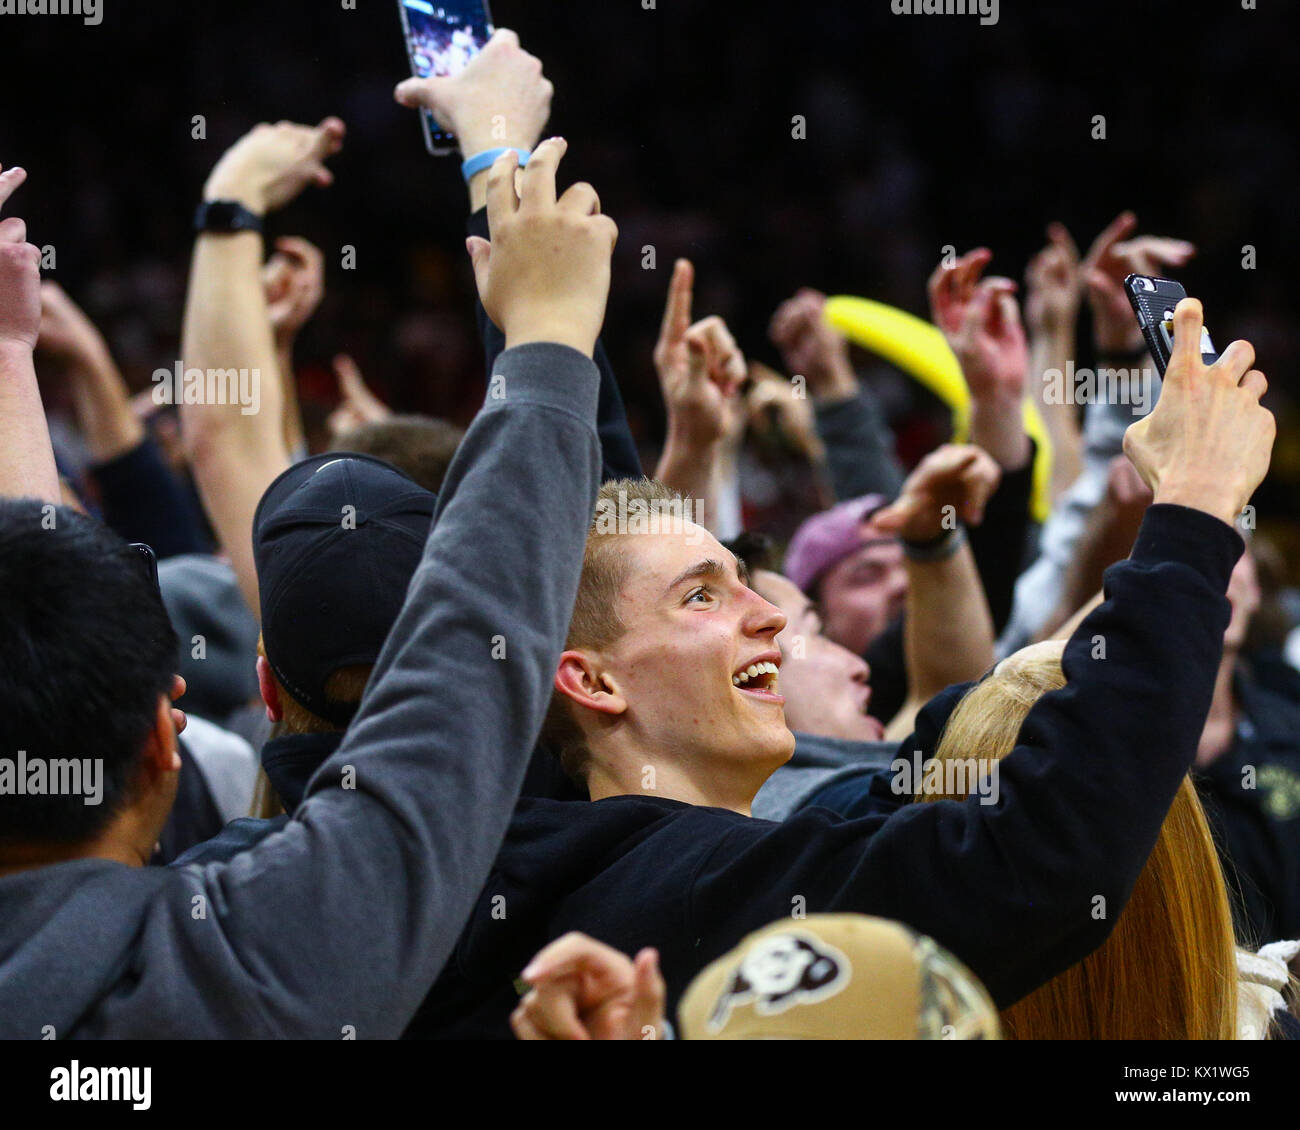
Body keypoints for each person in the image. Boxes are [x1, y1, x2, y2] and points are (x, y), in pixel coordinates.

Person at [407, 294, 1275, 1038]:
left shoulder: (606, 860)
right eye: (703, 597)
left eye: (748, 582)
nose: (772, 616)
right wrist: (1194, 510)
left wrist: (537, 300)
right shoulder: (687, 892)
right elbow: (1043, 853)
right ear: (590, 682)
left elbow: (585, 541)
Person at [0, 133, 618, 1037]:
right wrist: (552, 343)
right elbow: (460, 672)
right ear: (160, 745)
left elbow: (463, 661)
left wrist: (12, 356)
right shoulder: (244, 965)